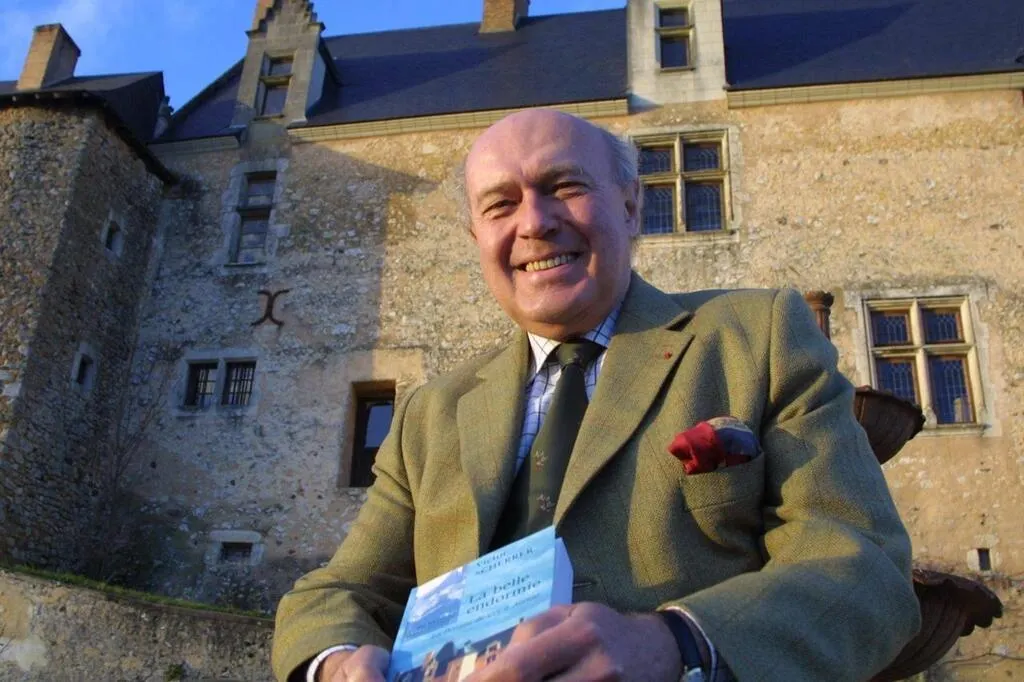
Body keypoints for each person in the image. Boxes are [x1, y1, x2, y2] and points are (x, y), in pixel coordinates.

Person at [272, 110, 921, 682]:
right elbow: (337, 592)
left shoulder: (756, 338)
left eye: (565, 186)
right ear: (478, 240)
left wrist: (677, 644)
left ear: (632, 205)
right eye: (500, 205)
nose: (534, 222)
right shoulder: (431, 415)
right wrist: (336, 661)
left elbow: (865, 569)